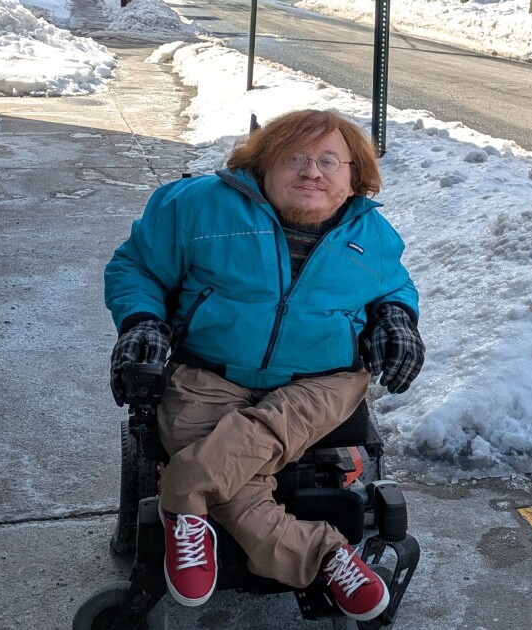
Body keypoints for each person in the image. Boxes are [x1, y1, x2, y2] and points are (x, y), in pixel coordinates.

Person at [103, 109, 424, 621]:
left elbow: (394, 286)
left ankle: (185, 498)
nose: (311, 172)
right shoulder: (197, 206)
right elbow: (136, 267)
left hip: (322, 382)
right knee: (239, 465)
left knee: (230, 447)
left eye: (328, 161)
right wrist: (141, 322)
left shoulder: (373, 234)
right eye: (294, 158)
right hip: (209, 373)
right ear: (263, 164)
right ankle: (326, 557)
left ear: (352, 178)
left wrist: (396, 319)